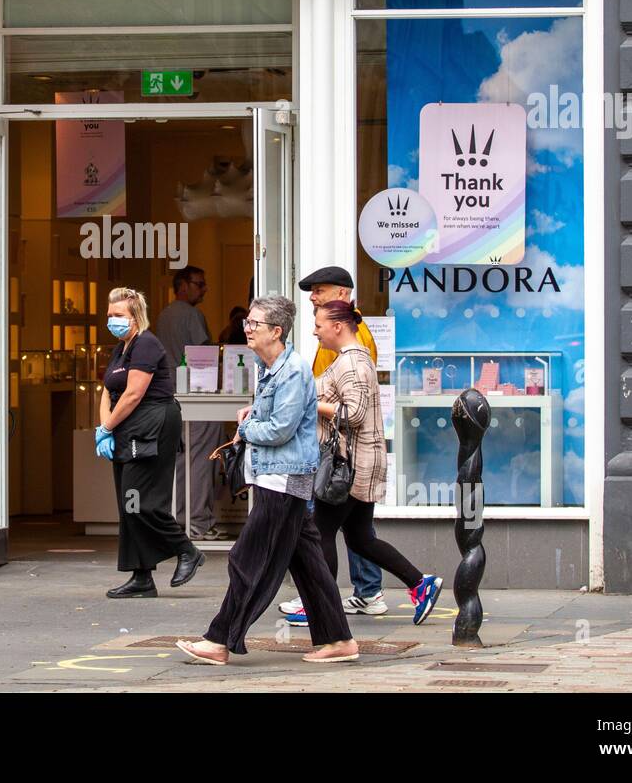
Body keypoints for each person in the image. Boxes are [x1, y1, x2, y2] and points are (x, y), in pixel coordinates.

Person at [176, 294, 358, 665]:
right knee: (308, 565)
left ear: (276, 331)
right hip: (277, 477)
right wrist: (253, 411)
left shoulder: (291, 371)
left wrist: (247, 426)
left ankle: (219, 639)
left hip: (284, 479)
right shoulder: (270, 367)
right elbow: (275, 416)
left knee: (248, 559)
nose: (247, 328)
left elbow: (280, 429)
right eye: (247, 322)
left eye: (254, 324)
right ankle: (338, 640)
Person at [296, 299, 444, 627]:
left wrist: (312, 403)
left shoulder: (351, 364)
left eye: (319, 325)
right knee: (361, 537)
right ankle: (421, 584)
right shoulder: (349, 361)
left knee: (320, 531)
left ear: (337, 326)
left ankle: (319, 604)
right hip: (359, 463)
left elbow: (354, 414)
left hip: (348, 466)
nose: (315, 331)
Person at [279, 264, 388, 621]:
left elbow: (348, 405)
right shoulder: (337, 336)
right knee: (356, 531)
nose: (313, 297)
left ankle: (327, 598)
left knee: (323, 528)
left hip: (342, 452)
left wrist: (307, 403)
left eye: (320, 290)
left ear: (342, 296)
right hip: (342, 449)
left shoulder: (349, 343)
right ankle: (372, 590)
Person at [96, 287, 205, 598]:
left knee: (140, 501)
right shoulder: (122, 348)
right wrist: (105, 428)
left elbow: (133, 394)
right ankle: (141, 577)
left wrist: (107, 426)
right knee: (127, 504)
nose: (112, 321)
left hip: (152, 425)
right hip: (126, 427)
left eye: (118, 316)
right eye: (109, 316)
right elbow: (108, 390)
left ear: (135, 317)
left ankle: (187, 551)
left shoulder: (146, 344)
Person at [156, 265, 224, 540]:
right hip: (197, 395)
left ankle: (181, 518)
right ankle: (198, 521)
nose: (205, 288)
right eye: (199, 283)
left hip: (172, 397)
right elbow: (204, 355)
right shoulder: (193, 315)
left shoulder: (163, 316)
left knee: (182, 460)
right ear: (182, 285)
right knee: (201, 459)